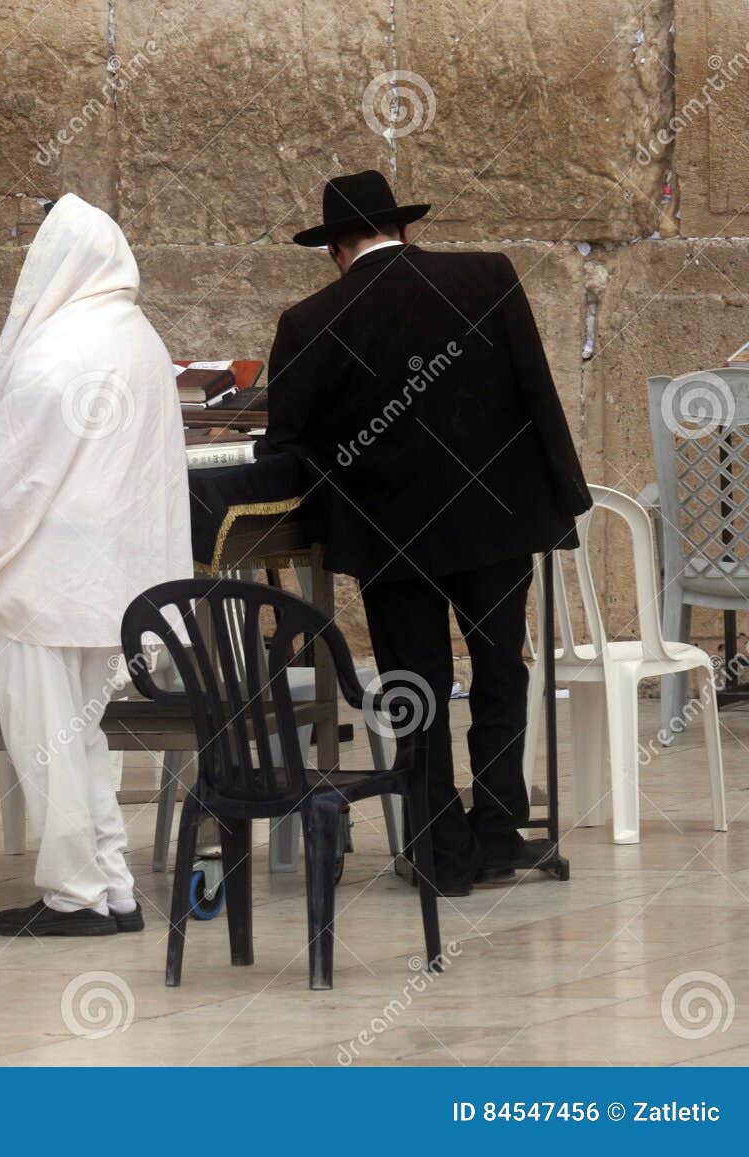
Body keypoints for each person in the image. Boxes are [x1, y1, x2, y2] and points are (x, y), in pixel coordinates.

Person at [261, 170, 591, 896]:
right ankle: (500, 829)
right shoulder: (488, 277)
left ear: (335, 251)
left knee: (418, 687)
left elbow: (284, 448)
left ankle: (441, 852)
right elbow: (536, 387)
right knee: (502, 668)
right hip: (497, 523)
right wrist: (563, 497)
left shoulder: (310, 321)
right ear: (403, 230)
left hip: (392, 541)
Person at [0, 194, 192, 937]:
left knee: (46, 738)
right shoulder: (138, 336)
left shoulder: (60, 345)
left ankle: (75, 895)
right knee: (85, 733)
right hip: (111, 584)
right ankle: (113, 885)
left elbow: (12, 469)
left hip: (46, 579)